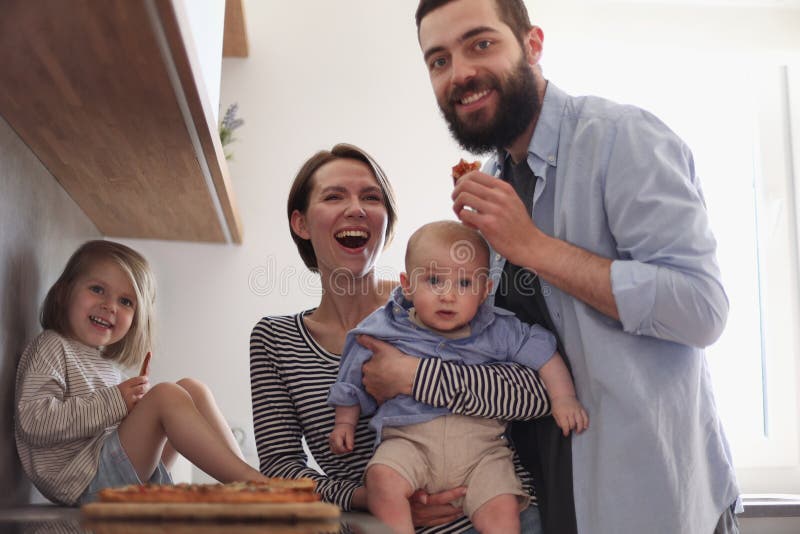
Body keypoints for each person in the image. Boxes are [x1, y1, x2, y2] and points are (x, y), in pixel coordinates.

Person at [356, 1, 741, 533]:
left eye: (481, 43)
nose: (460, 73)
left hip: (650, 505)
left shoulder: (622, 138)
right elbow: (509, 361)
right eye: (438, 60)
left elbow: (702, 309)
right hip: (548, 508)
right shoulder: (495, 181)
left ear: (532, 45)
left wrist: (533, 246)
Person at [249, 143, 553, 533]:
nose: (356, 208)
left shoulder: (448, 302)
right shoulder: (275, 340)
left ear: (386, 222)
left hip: (500, 515)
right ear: (301, 223)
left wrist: (413, 376)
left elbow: (539, 395)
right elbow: (280, 470)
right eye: (334, 196)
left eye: (371, 197)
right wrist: (368, 498)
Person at [327, 220, 588, 534]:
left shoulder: (498, 329)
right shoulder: (388, 325)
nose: (448, 295)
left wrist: (564, 397)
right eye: (434, 280)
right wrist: (345, 420)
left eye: (464, 284)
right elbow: (354, 367)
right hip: (410, 443)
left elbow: (544, 354)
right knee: (382, 478)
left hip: (482, 450)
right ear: (407, 285)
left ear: (484, 291)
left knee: (502, 508)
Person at [15, 240, 268, 506]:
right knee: (165, 396)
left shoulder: (106, 365)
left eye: (125, 301)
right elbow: (34, 421)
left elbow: (108, 424)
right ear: (65, 292)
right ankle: (253, 486)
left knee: (192, 389)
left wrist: (134, 410)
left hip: (104, 472)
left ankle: (248, 482)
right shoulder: (51, 346)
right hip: (81, 481)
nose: (110, 306)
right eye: (97, 289)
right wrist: (118, 402)